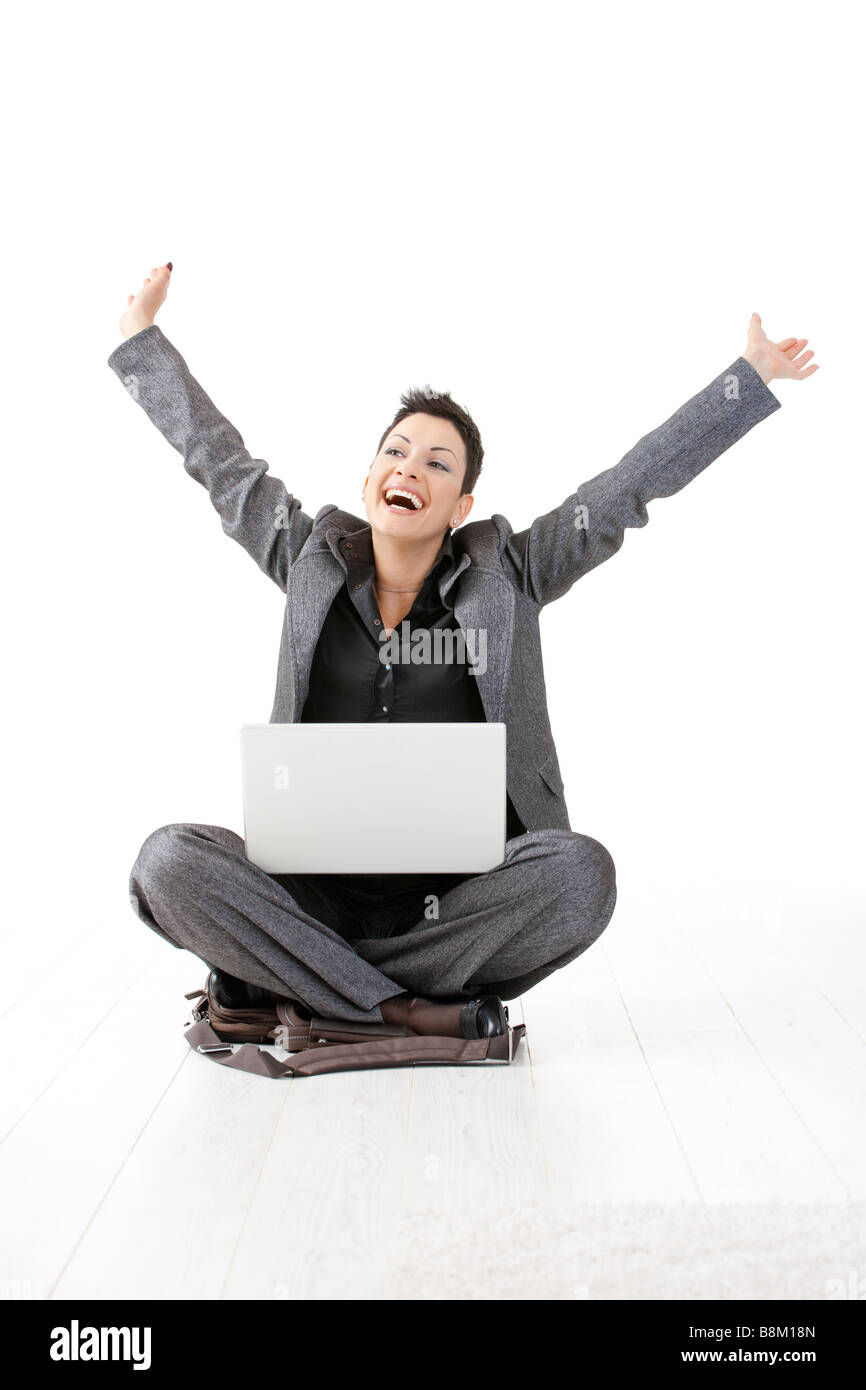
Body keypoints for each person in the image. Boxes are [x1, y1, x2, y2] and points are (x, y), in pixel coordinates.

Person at [109, 263, 818, 1041]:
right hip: (309, 900)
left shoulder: (512, 574)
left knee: (581, 875)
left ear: (461, 505)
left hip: (450, 912)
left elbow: (626, 488)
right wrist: (142, 339)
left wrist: (748, 380)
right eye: (396, 452)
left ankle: (314, 982)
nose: (410, 468)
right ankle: (400, 1008)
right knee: (168, 862)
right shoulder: (307, 557)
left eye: (437, 464)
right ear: (370, 478)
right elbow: (221, 464)